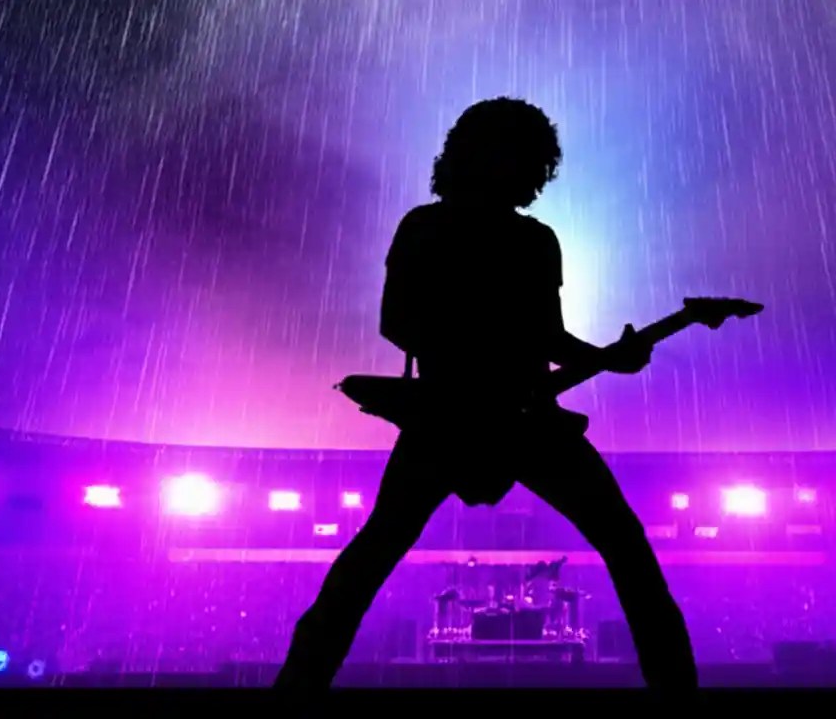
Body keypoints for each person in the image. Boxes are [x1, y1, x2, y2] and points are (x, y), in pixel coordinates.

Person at [275, 97, 698, 692]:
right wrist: (495, 358)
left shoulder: (512, 236)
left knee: (367, 563)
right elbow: (400, 322)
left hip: (463, 419)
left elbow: (536, 336)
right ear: (489, 157)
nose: (528, 172)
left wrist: (608, 360)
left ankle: (294, 687)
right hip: (485, 417)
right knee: (627, 553)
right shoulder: (438, 228)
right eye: (520, 157)